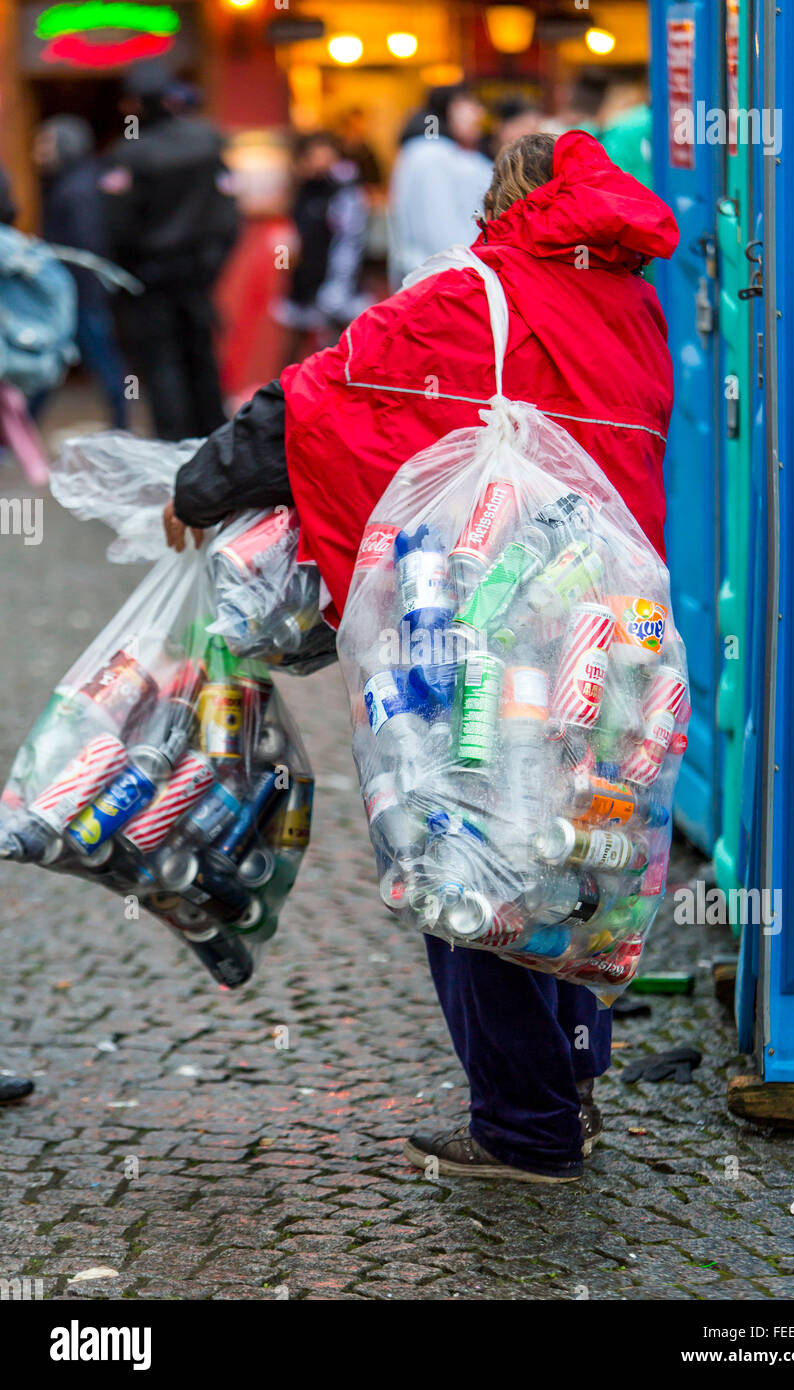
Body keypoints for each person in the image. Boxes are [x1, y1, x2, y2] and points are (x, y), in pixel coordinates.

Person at [162, 131, 678, 1181]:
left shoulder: (478, 292)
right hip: (615, 621)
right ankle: (568, 1078)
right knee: (575, 845)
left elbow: (317, 396)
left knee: (467, 854)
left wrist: (198, 488)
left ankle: (522, 1126)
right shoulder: (632, 300)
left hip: (493, 624)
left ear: (509, 200)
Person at [101, 59, 239, 440]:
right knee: (202, 356)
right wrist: (213, 261)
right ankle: (215, 443)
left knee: (163, 364)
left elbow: (118, 225)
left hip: (152, 277)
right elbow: (229, 210)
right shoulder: (206, 140)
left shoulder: (130, 154)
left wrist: (129, 275)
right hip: (198, 272)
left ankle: (174, 449)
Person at [34, 116, 130, 429]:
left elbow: (83, 250)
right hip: (78, 292)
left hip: (79, 293)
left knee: (97, 361)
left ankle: (122, 425)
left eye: (46, 144)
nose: (39, 152)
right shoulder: (78, 182)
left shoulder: (75, 190)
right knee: (55, 364)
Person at [388, 85, 492, 287]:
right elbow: (440, 234)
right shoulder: (431, 154)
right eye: (472, 104)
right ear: (451, 107)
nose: (480, 114)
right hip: (440, 282)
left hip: (436, 279)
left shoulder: (431, 151)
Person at [279, 131, 369, 361]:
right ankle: (284, 395)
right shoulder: (304, 190)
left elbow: (350, 240)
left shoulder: (344, 192)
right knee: (295, 349)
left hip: (336, 285)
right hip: (305, 282)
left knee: (336, 353)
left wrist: (338, 285)